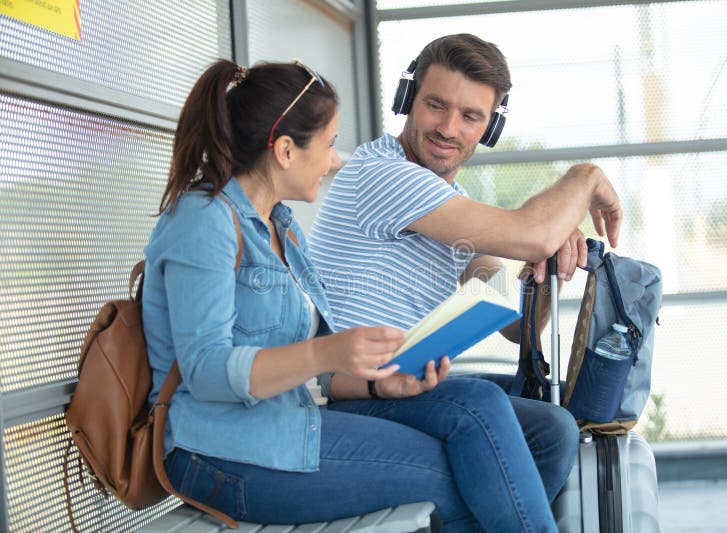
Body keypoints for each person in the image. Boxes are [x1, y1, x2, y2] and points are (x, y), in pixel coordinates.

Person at [142, 58, 560, 532]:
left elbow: (305, 377)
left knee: (497, 447)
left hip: (285, 424)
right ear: (284, 150)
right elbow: (206, 372)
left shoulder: (282, 228)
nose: (337, 160)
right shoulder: (204, 220)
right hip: (219, 453)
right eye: (329, 144)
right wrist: (325, 350)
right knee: (455, 471)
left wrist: (379, 385)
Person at [308, 33, 624, 502]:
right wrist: (586, 178)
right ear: (408, 100)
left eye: (470, 116)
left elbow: (515, 323)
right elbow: (528, 230)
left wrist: (544, 261)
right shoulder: (385, 174)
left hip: (402, 383)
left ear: (489, 128)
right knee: (549, 429)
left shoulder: (449, 204)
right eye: (437, 106)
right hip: (353, 394)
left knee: (539, 406)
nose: (449, 128)